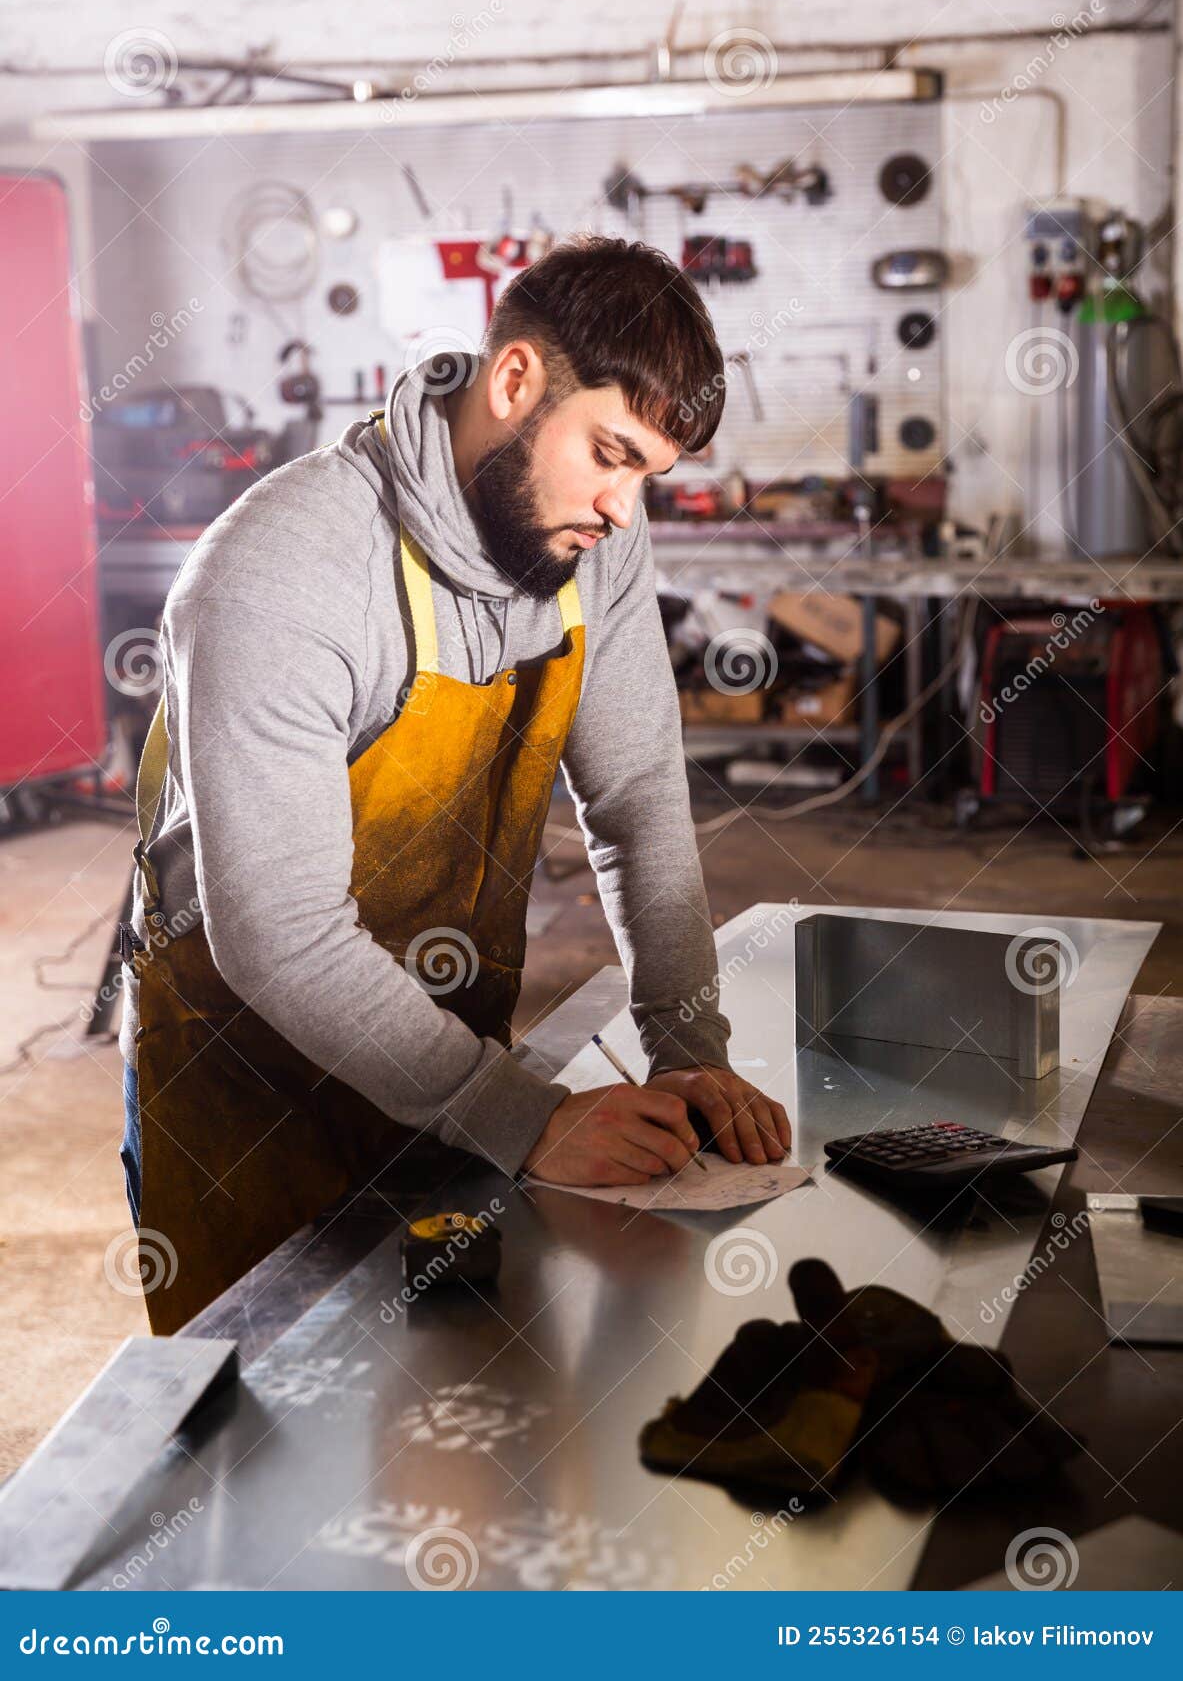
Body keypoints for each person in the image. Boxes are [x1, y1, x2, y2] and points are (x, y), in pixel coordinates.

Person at [119, 234, 791, 1333]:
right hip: (246, 1090)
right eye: (610, 454)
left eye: (649, 476)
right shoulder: (282, 573)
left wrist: (688, 1044)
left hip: (447, 1054)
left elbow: (635, 798)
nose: (626, 509)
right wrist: (519, 1115)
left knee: (459, 1417)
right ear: (515, 379)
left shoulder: (595, 543)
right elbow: (281, 934)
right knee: (251, 1456)